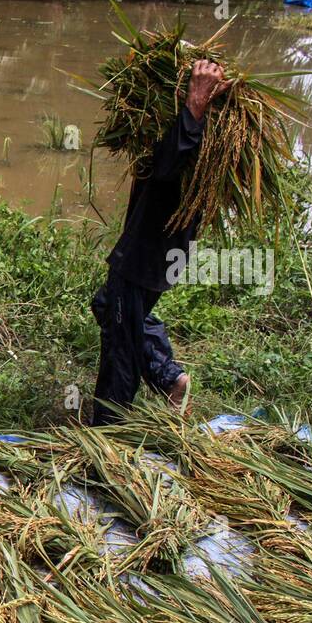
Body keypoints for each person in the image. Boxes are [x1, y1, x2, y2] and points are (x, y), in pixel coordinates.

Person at [89, 59, 229, 426]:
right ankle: (169, 377)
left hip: (144, 256)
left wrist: (194, 104)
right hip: (163, 251)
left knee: (121, 349)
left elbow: (169, 168)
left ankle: (107, 435)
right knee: (108, 305)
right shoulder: (198, 144)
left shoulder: (191, 140)